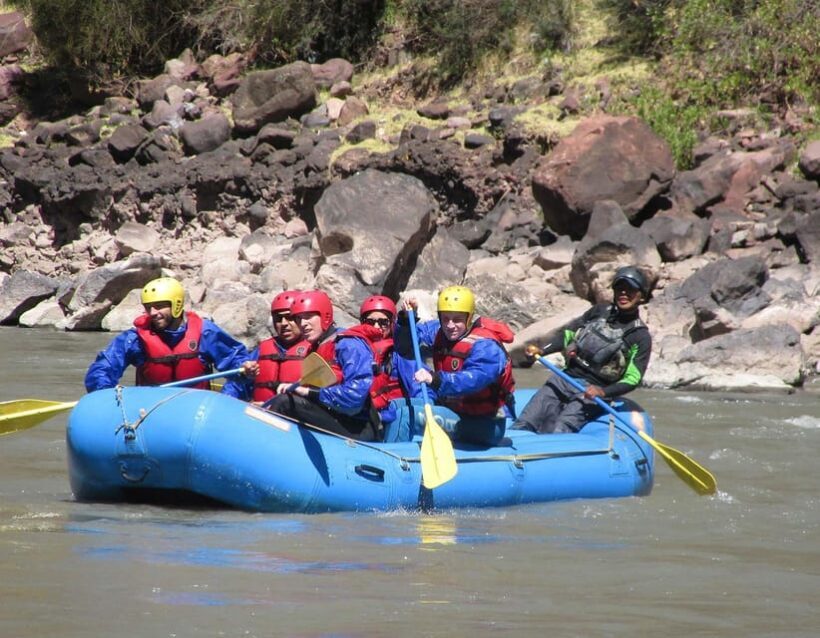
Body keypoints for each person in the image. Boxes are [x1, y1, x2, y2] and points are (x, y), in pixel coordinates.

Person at [512, 265, 653, 434]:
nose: (624, 293)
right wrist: (542, 351)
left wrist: (603, 392)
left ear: (641, 296)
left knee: (561, 428)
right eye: (619, 288)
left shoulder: (640, 336)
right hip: (565, 378)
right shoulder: (599, 311)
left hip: (594, 391)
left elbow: (633, 379)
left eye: (630, 289)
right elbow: (568, 335)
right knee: (527, 420)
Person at [84, 277, 251, 392]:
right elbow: (103, 368)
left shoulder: (205, 333)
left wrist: (241, 374)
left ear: (176, 305)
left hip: (196, 409)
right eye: (148, 307)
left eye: (159, 306)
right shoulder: (135, 339)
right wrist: (105, 393)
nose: (153, 313)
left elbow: (236, 363)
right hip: (151, 409)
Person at [397, 285, 516, 446]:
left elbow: (473, 380)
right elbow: (405, 346)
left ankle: (392, 457)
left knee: (405, 416)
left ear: (469, 318)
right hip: (454, 410)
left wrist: (435, 379)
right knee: (394, 407)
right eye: (445, 318)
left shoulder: (486, 346)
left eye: (457, 319)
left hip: (484, 423)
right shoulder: (439, 332)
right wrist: (406, 320)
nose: (450, 325)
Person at [264, 290, 380, 441]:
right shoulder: (317, 347)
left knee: (285, 403)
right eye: (298, 318)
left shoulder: (349, 345)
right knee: (282, 401)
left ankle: (266, 445)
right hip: (335, 417)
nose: (303, 324)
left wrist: (308, 392)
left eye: (308, 316)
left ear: (325, 316)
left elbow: (354, 397)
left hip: (358, 427)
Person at [221, 290, 310, 403]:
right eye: (278, 318)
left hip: (295, 412)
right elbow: (235, 386)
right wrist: (224, 400)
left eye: (289, 317)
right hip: (261, 412)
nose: (283, 323)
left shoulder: (314, 349)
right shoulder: (261, 350)